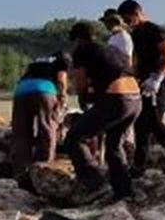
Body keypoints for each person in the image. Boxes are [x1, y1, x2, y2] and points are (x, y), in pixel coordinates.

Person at [59, 22, 141, 201]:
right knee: (114, 144)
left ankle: (96, 183)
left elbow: (80, 83)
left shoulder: (82, 50)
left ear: (78, 39)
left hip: (116, 98)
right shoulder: (112, 50)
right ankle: (124, 192)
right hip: (135, 99)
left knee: (74, 138)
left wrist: (84, 99)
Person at [118, 0, 165, 171]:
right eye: (124, 21)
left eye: (128, 19)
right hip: (147, 80)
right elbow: (142, 60)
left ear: (137, 13)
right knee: (140, 122)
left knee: (153, 120)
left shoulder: (154, 30)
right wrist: (135, 75)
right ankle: (139, 164)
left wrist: (158, 77)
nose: (127, 23)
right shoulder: (135, 33)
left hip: (163, 77)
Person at [10, 52, 68, 181]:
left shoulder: (38, 61)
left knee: (21, 133)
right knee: (47, 129)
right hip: (44, 90)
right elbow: (61, 77)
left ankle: (20, 172)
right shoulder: (62, 61)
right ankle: (43, 169)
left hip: (21, 90)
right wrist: (62, 97)